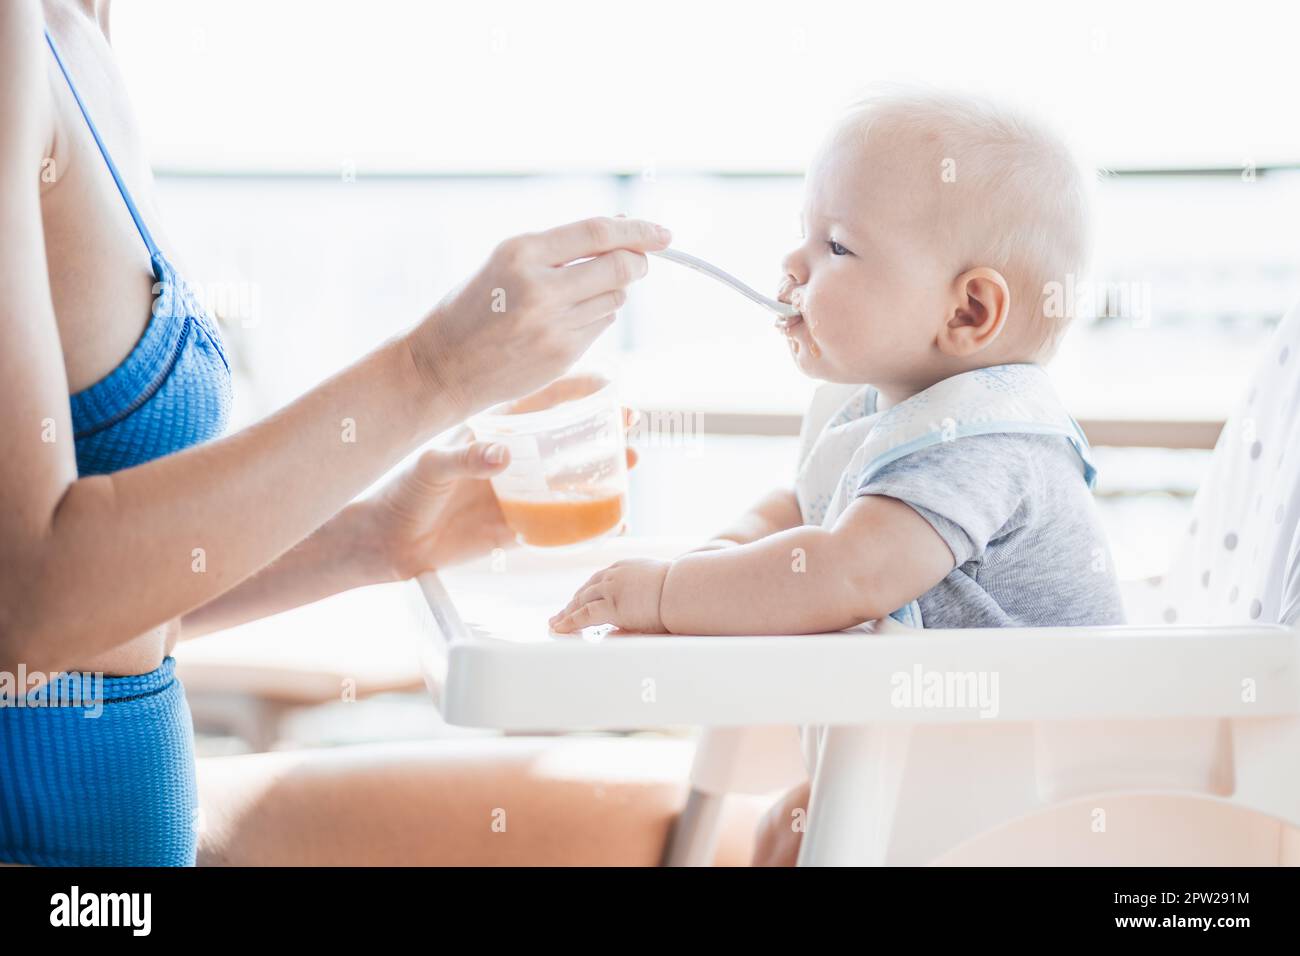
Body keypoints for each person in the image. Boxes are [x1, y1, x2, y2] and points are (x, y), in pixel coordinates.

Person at [0, 0, 764, 866]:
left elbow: (104, 608)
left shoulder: (82, 27)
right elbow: (27, 602)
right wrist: (431, 373)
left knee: (729, 827)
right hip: (55, 848)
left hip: (141, 807)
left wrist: (369, 539)